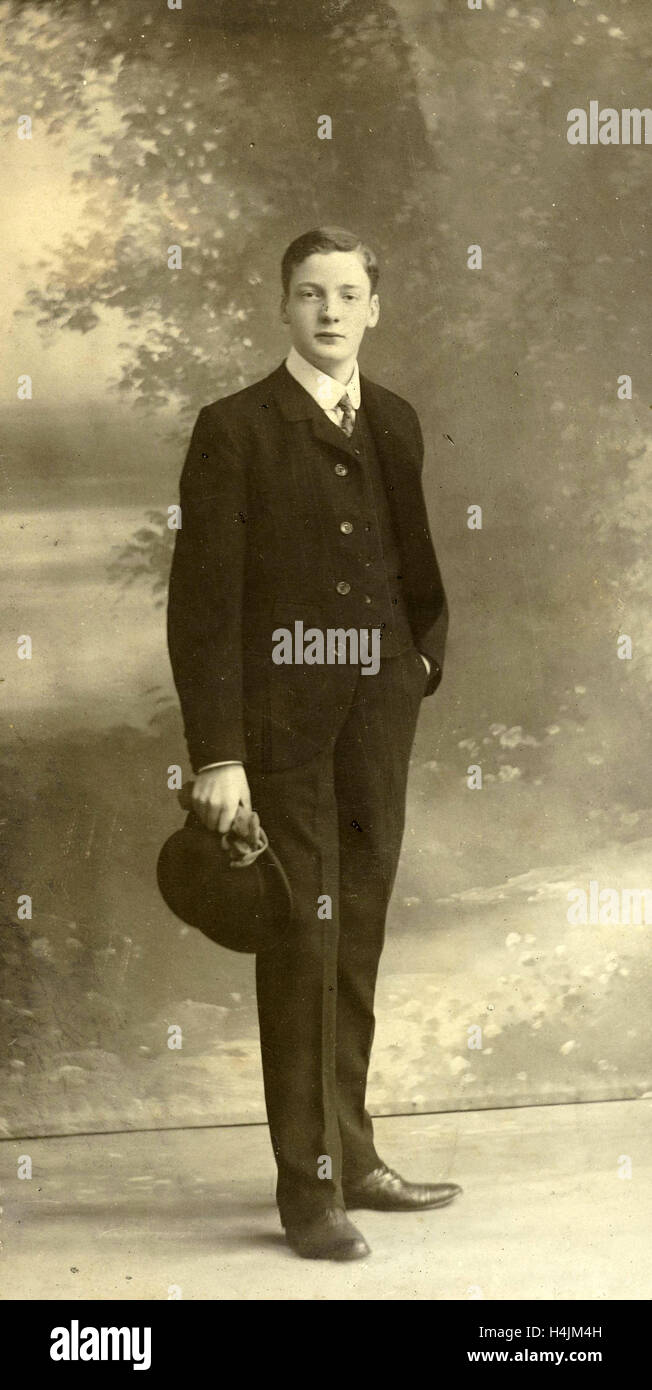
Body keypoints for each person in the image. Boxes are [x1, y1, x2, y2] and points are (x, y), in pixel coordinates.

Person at [167, 226, 461, 1260]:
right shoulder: (235, 429)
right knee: (302, 945)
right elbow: (203, 610)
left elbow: (415, 562)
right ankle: (311, 1192)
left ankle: (357, 1153)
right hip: (280, 738)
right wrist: (218, 753)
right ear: (283, 309)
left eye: (346, 294)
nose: (328, 312)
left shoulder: (394, 420)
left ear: (373, 306)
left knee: (362, 934)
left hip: (377, 723)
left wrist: (420, 661)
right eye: (308, 295)